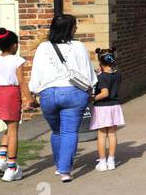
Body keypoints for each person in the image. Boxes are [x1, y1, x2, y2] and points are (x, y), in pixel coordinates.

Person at [29, 13, 96, 183]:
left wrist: (34, 92)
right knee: (69, 131)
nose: (76, 28)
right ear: (69, 29)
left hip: (48, 93)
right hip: (73, 92)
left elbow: (36, 73)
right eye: (74, 25)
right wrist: (91, 90)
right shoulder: (78, 46)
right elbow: (87, 73)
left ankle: (59, 165)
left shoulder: (43, 47)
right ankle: (65, 170)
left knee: (57, 130)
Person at [0, 27, 30, 182]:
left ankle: (1, 158)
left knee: (9, 128)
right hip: (11, 94)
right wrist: (29, 99)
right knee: (14, 130)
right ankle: (12, 167)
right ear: (14, 45)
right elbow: (21, 81)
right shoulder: (17, 60)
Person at [91, 48, 124, 172]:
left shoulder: (101, 77)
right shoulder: (117, 74)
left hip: (102, 107)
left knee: (101, 135)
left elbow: (105, 93)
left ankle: (102, 161)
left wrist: (93, 98)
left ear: (100, 62)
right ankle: (111, 161)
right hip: (115, 106)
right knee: (112, 134)